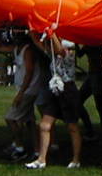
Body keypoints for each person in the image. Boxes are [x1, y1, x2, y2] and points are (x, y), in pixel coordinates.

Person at [24, 34, 82, 169]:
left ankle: (76, 159)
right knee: (44, 125)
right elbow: (40, 44)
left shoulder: (68, 51)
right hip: (56, 90)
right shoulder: (53, 54)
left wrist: (53, 33)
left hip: (68, 91)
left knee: (72, 127)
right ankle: (41, 159)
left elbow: (60, 50)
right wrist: (32, 32)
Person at [3, 32, 47, 162]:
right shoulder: (17, 49)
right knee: (29, 121)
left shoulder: (28, 50)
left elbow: (29, 72)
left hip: (28, 90)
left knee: (10, 118)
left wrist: (21, 93)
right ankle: (36, 149)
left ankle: (19, 147)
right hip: (25, 89)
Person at [78, 44, 102, 142]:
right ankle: (90, 131)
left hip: (99, 77)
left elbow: (80, 54)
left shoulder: (98, 43)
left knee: (100, 107)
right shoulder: (89, 43)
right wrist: (77, 42)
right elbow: (79, 54)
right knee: (78, 101)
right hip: (92, 76)